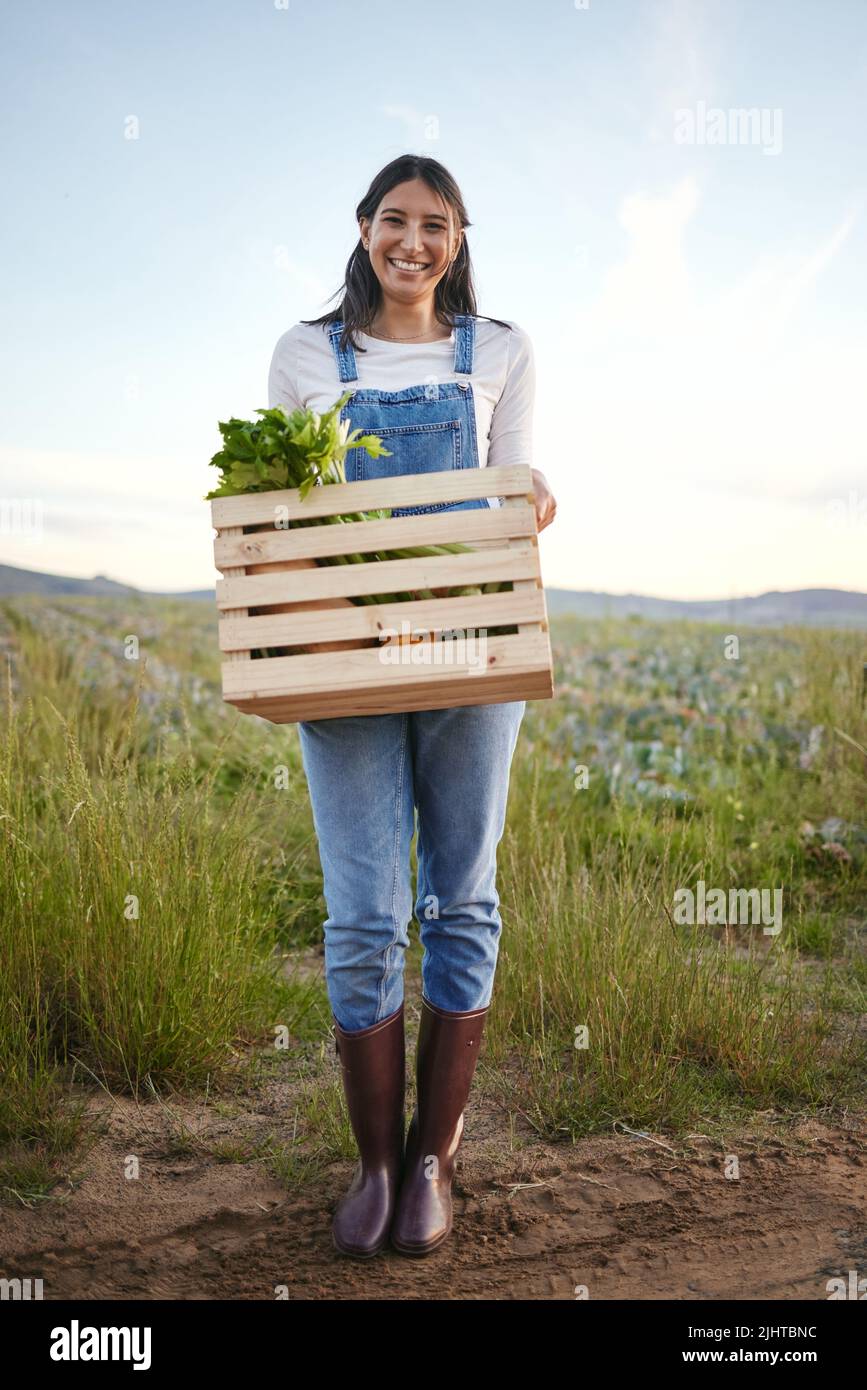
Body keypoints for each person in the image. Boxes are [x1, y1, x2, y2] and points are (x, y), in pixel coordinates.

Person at [267, 154, 557, 1259]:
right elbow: (290, 505)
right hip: (343, 649)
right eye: (396, 220)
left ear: (460, 239)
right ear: (364, 226)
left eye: (437, 225)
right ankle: (375, 1161)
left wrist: (531, 497)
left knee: (461, 897)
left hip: (471, 640)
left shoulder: (503, 351)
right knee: (361, 913)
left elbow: (511, 485)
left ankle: (433, 1155)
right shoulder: (304, 353)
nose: (414, 242)